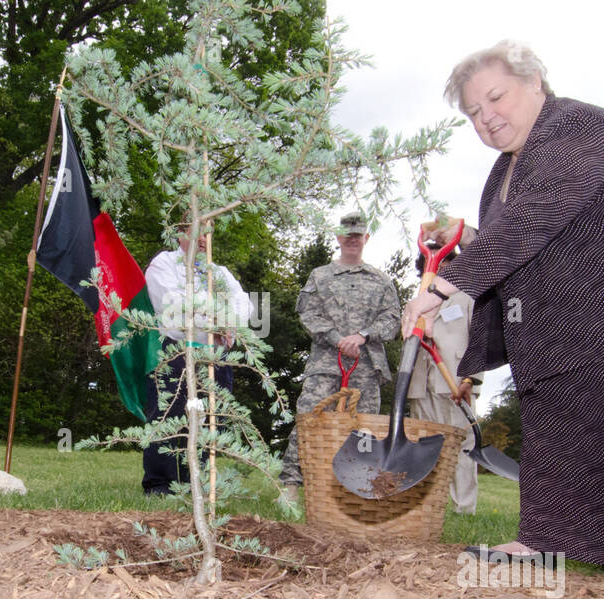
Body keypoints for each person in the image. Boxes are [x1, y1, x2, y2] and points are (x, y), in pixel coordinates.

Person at [402, 41, 604, 594]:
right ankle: (545, 539)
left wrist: (444, 286)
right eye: (473, 112)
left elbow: (537, 214)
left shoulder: (584, 127)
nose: (486, 117)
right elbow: (526, 236)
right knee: (555, 418)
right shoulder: (505, 167)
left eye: (495, 98)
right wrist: (469, 243)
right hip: (567, 312)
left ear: (535, 83)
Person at [279, 211, 400, 497]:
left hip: (367, 366)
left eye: (358, 235)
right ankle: (291, 485)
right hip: (325, 363)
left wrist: (363, 336)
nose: (352, 240)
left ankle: (356, 487)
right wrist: (337, 339)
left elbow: (392, 319)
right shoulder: (319, 276)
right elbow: (308, 313)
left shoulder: (381, 280)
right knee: (309, 418)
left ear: (366, 238)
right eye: (347, 235)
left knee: (363, 428)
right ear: (338, 237)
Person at [141, 225, 252, 496]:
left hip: (216, 355)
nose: (202, 239)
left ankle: (199, 483)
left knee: (209, 417)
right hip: (178, 351)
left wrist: (227, 324)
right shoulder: (163, 264)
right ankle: (162, 484)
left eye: (207, 233)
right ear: (180, 234)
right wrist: (212, 322)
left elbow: (243, 304)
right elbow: (172, 305)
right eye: (195, 232)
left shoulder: (221, 272)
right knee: (170, 414)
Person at [407, 238, 479, 513]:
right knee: (425, 445)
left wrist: (471, 379)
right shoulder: (416, 300)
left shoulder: (469, 296)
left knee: (460, 447)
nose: (440, 266)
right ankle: (428, 506)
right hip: (421, 383)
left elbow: (479, 340)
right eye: (433, 262)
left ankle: (463, 508)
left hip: (455, 381)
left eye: (446, 260)